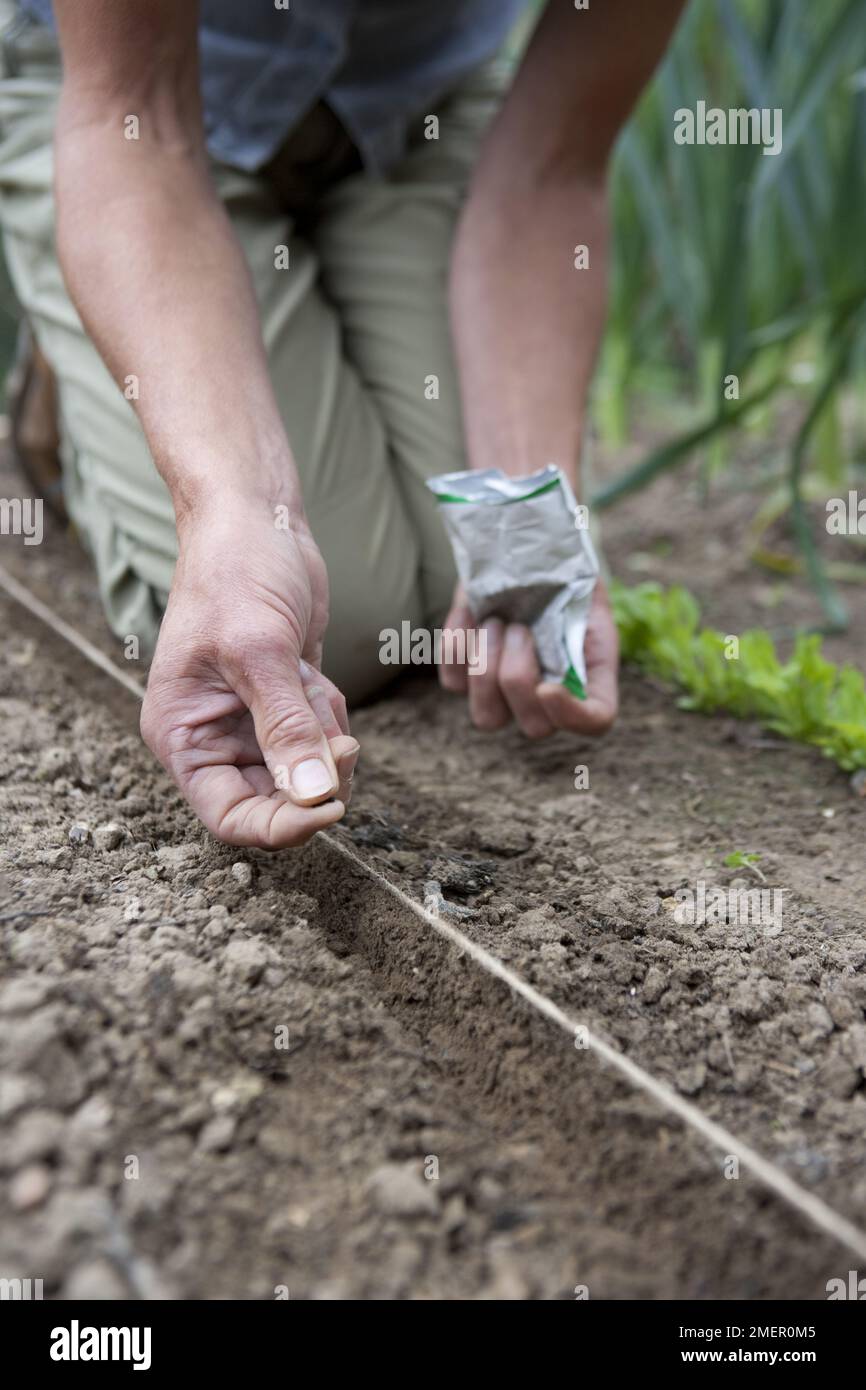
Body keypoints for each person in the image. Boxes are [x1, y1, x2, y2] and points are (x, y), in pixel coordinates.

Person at [0, 0, 683, 848]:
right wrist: (231, 512)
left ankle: (299, 301)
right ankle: (94, 352)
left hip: (411, 116)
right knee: (335, 625)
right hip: (153, 125)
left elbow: (549, 171)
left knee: (475, 589)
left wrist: (523, 523)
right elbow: (135, 123)